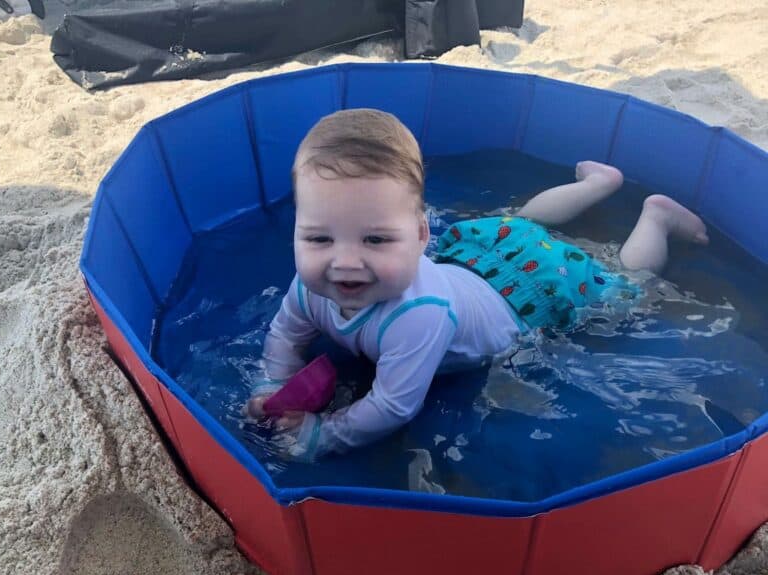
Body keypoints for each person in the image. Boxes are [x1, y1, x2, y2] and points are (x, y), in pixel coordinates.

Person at [246, 108, 709, 461]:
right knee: (523, 221)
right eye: (319, 237)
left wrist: (321, 436)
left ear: (422, 237)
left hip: (529, 297)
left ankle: (656, 218)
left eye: (376, 239)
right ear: (298, 232)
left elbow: (391, 407)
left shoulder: (419, 313)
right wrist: (272, 384)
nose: (344, 263)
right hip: (487, 252)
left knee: (625, 289)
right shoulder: (308, 286)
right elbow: (286, 334)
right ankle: (598, 185)